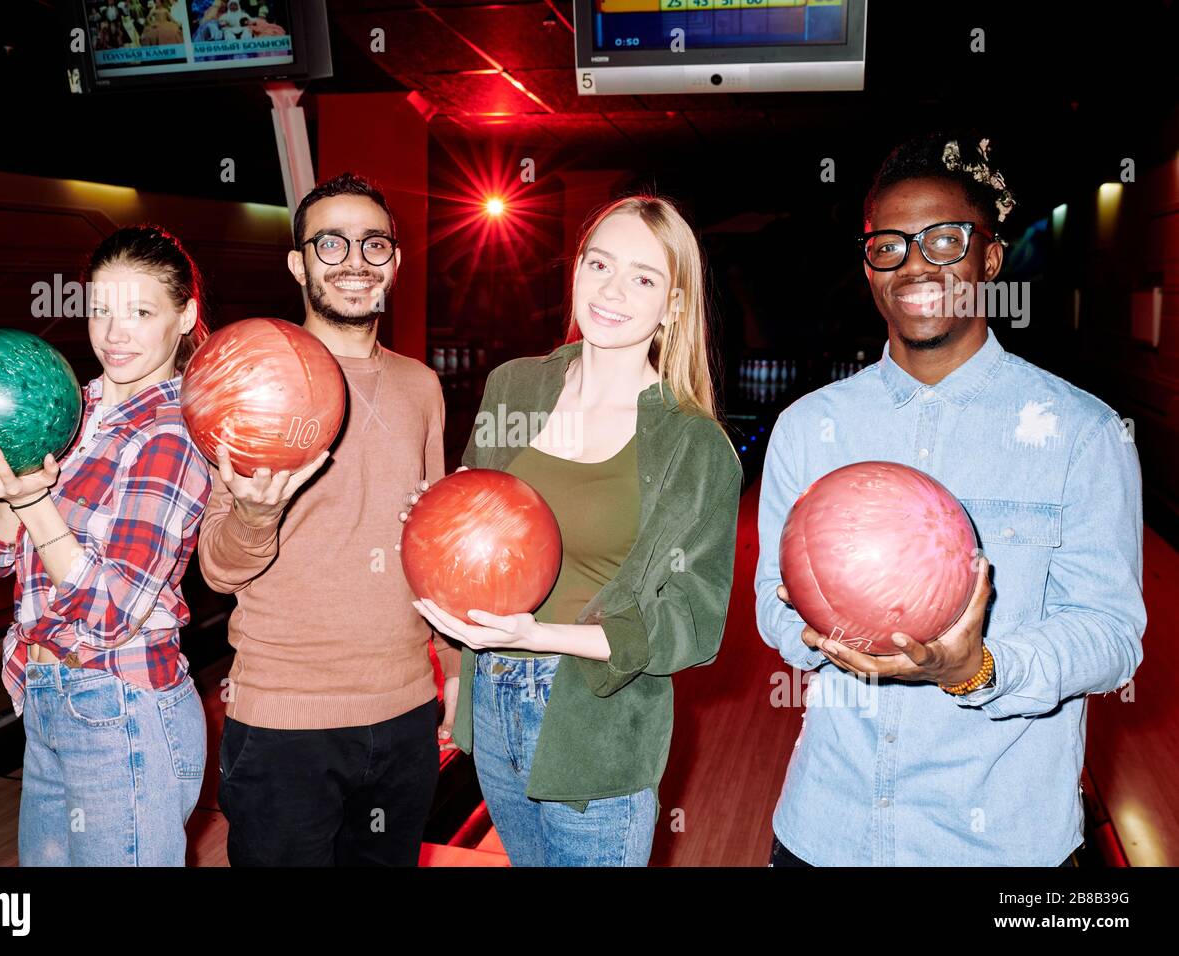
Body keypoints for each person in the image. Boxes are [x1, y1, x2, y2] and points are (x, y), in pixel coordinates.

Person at [755, 131, 1146, 866]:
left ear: (989, 258)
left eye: (944, 240)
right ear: (869, 267)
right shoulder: (810, 427)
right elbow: (772, 612)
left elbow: (1112, 637)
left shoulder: (1083, 432)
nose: (915, 265)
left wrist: (974, 670)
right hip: (827, 831)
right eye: (890, 245)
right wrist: (825, 626)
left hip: (1004, 844)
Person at [410, 195, 743, 866]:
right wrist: (436, 517)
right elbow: (478, 528)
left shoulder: (692, 444)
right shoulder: (515, 388)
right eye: (599, 264)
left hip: (593, 722)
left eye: (643, 278)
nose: (612, 291)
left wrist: (540, 635)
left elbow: (692, 623)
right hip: (492, 694)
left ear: (674, 305)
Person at [199, 172, 459, 866]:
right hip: (286, 721)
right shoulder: (252, 379)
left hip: (405, 713)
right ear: (298, 264)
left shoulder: (420, 385)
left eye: (375, 244)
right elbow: (219, 570)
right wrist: (256, 515)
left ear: (395, 262)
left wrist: (456, 668)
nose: (354, 261)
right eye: (331, 243)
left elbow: (435, 540)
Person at [0, 224, 213, 865]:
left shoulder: (172, 433)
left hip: (122, 706)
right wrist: (4, 491)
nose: (115, 333)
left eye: (141, 312)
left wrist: (32, 501)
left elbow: (111, 609)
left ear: (185, 316)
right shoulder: (65, 409)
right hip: (46, 698)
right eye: (101, 310)